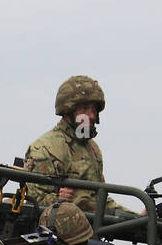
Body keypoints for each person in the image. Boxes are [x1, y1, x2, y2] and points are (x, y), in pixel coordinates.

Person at [24, 75, 133, 215]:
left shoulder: (92, 149)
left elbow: (101, 200)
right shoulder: (46, 148)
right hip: (59, 229)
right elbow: (34, 202)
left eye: (94, 110)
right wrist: (59, 200)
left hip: (91, 228)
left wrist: (135, 216)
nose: (92, 116)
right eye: (85, 108)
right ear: (68, 110)